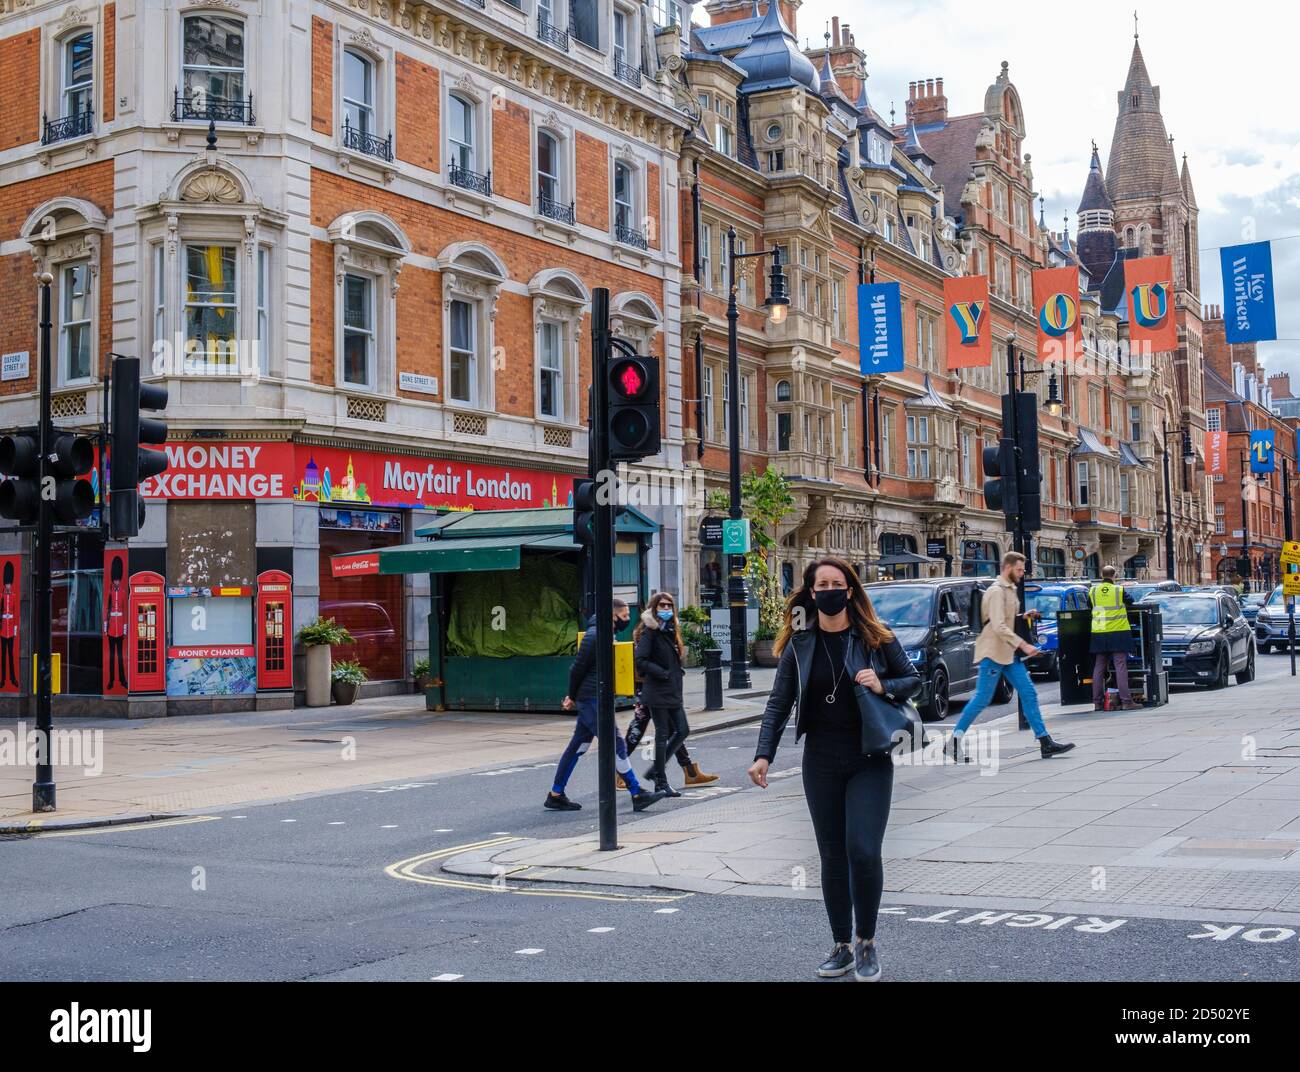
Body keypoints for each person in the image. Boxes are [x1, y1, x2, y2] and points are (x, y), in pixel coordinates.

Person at [748, 556, 920, 983]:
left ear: (848, 591)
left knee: (863, 849)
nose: (827, 589)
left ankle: (867, 943)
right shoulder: (800, 644)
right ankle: (841, 945)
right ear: (810, 593)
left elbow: (913, 680)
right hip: (820, 761)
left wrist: (883, 684)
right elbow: (778, 703)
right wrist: (763, 754)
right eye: (819, 583)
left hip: (869, 759)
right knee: (831, 854)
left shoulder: (874, 637)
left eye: (835, 583)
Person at [949, 552, 1075, 760]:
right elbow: (997, 625)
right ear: (1008, 568)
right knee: (981, 699)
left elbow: (1002, 619)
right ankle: (953, 743)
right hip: (994, 651)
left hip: (1008, 653)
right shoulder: (997, 591)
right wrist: (1024, 645)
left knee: (1029, 693)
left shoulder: (1009, 588)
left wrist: (1023, 616)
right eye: (1019, 569)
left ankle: (1045, 742)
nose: (1021, 573)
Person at [546, 598, 666, 813]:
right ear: (613, 615)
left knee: (577, 747)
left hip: (594, 698)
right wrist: (572, 696)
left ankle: (556, 794)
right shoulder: (594, 636)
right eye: (625, 616)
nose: (627, 620)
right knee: (616, 744)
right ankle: (636, 792)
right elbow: (577, 668)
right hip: (591, 699)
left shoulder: (603, 633)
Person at [633, 592, 692, 797]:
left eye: (669, 606)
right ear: (654, 608)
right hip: (658, 690)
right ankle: (660, 781)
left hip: (672, 691)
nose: (666, 609)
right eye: (662, 606)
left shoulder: (671, 630)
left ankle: (656, 770)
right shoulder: (651, 632)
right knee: (662, 734)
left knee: (683, 730)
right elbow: (640, 661)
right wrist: (663, 673)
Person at [618, 687, 718, 789]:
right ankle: (619, 771)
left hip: (657, 688)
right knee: (639, 728)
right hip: (651, 687)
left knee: (673, 730)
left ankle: (690, 772)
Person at [1088, 565, 1140, 711]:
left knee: (1099, 667)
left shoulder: (1093, 590)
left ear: (1101, 575)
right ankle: (1126, 701)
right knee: (1120, 666)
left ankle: (1097, 703)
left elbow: (1089, 605)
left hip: (1099, 633)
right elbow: (1131, 601)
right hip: (1118, 632)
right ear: (1114, 575)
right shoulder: (1118, 590)